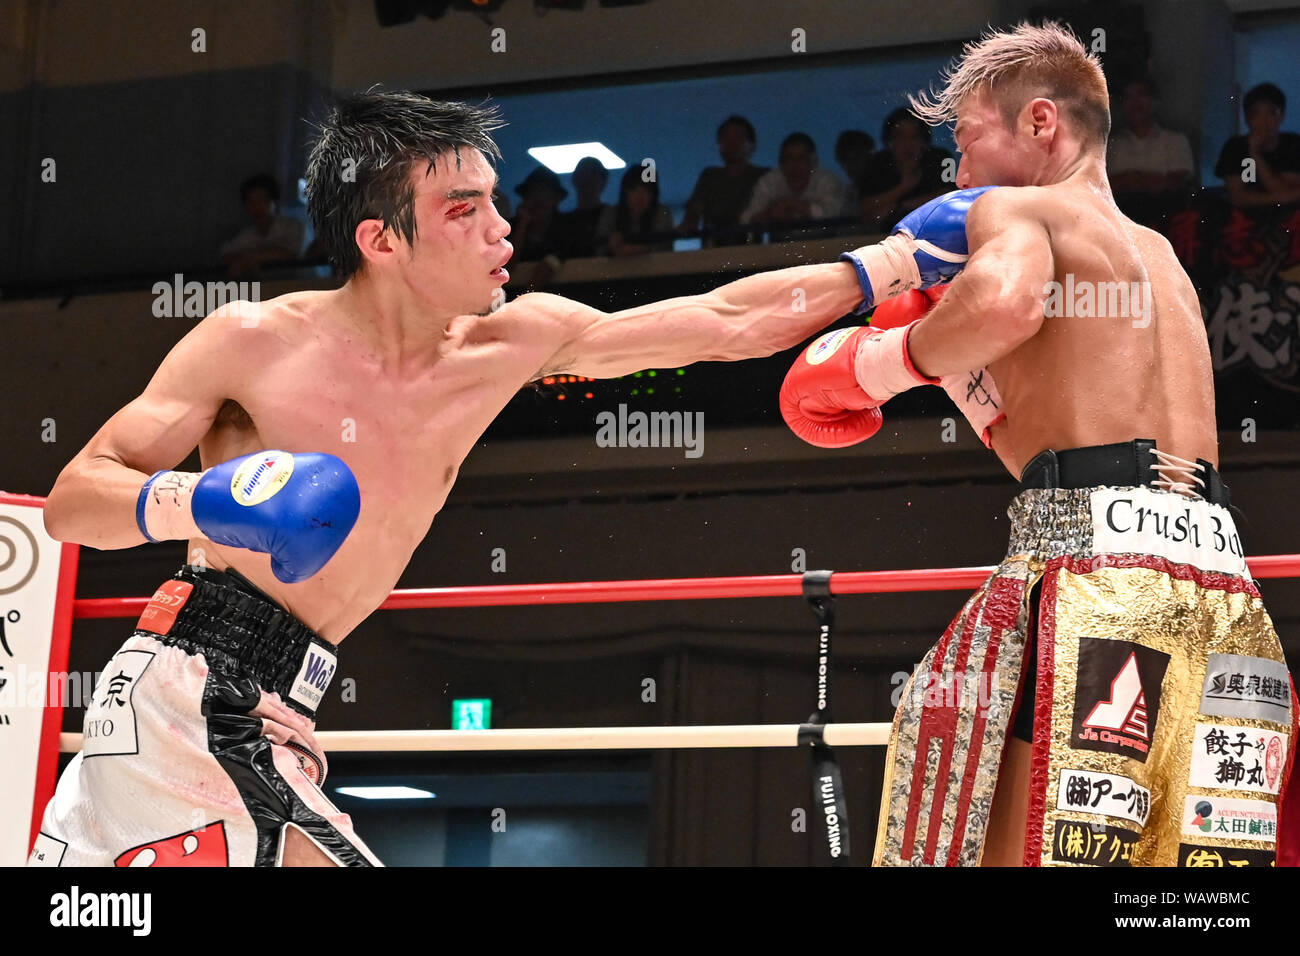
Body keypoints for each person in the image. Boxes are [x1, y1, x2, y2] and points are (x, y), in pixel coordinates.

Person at [33, 89, 985, 867]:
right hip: (191, 684)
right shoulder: (253, 343)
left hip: (281, 700)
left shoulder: (510, 341)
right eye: (464, 210)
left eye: (495, 199)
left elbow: (719, 322)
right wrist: (200, 501)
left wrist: (891, 261)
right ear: (381, 241)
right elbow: (77, 502)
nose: (503, 227)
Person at [780, 22, 1297, 867]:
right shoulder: (1162, 258)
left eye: (969, 138)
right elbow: (1064, 414)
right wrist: (958, 379)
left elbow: (1002, 310)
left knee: (981, 820)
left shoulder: (1014, 209)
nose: (961, 170)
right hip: (1228, 603)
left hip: (1101, 587)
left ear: (1041, 123)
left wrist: (872, 365)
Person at [679, 115, 768, 246]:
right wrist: (689, 223)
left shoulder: (763, 177)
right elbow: (694, 210)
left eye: (738, 138)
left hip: (752, 251)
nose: (731, 143)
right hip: (714, 251)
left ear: (751, 144)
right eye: (725, 138)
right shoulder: (710, 176)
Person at [858, 108, 953, 227]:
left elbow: (951, 198)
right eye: (900, 137)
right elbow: (864, 210)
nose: (908, 144)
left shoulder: (942, 158)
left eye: (914, 137)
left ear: (925, 141)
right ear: (888, 142)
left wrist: (901, 207)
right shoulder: (876, 164)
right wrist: (905, 186)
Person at [740, 133, 845, 236]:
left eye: (801, 159)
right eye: (789, 159)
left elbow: (836, 213)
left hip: (826, 243)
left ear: (813, 162)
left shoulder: (827, 180)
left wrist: (795, 206)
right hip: (780, 246)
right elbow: (745, 220)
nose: (795, 166)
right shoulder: (769, 182)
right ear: (781, 163)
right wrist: (769, 213)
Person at [1214, 82, 1300, 208]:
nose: (1264, 121)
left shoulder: (1293, 144)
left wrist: (1256, 155)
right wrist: (1253, 152)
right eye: (1256, 114)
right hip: (1244, 221)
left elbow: (1285, 191)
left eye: (1271, 113)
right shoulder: (1235, 147)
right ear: (1247, 119)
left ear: (1281, 116)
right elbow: (1237, 197)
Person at [219, 174, 306, 276]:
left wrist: (250, 258)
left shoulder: (292, 226)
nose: (256, 207)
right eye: (251, 202)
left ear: (274, 202)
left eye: (262, 200)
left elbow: (289, 253)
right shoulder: (249, 234)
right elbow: (225, 255)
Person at [595, 166, 675, 256]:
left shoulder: (661, 213)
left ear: (653, 195)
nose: (640, 197)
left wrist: (630, 250)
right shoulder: (611, 214)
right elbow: (599, 249)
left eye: (646, 191)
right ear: (625, 193)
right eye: (634, 190)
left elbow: (664, 248)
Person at [560, 156, 611, 258]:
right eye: (583, 174)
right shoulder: (562, 223)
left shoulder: (614, 217)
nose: (587, 180)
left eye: (592, 175)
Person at [835, 129, 876, 218]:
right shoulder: (846, 192)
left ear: (870, 157)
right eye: (846, 158)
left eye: (857, 157)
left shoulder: (882, 187)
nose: (852, 164)